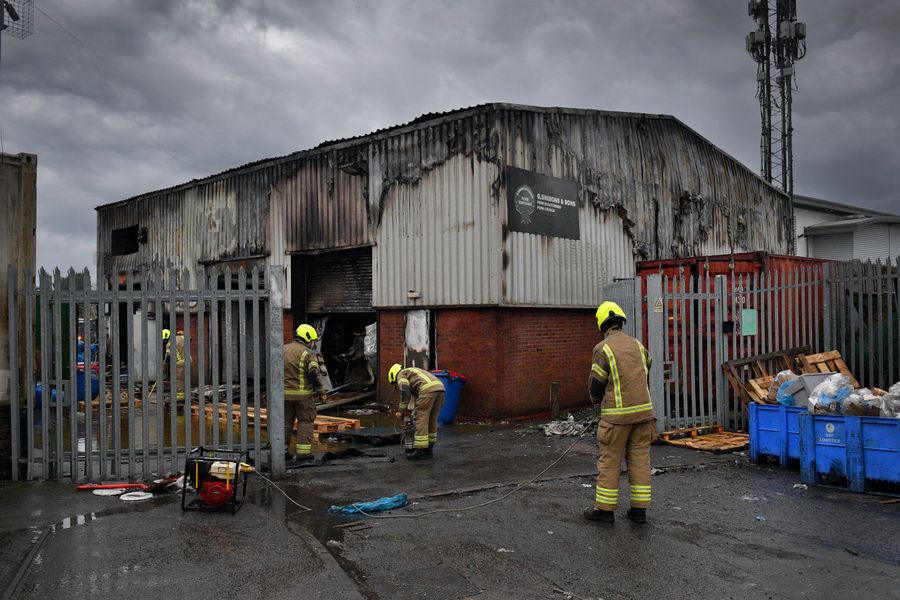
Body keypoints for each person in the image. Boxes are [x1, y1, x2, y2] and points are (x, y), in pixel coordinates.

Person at [584, 301, 656, 524]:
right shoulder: (637, 344)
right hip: (644, 415)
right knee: (639, 461)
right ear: (621, 321)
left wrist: (597, 400)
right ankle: (639, 511)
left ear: (602, 325)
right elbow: (647, 367)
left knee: (609, 462)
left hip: (617, 418)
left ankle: (605, 511)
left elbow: (596, 386)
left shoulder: (602, 348)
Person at [283, 324, 325, 461]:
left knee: (285, 423)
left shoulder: (282, 350)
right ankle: (303, 454)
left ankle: (282, 452)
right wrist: (321, 391)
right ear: (308, 339)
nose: (313, 344)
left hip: (283, 396)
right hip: (303, 397)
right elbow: (313, 373)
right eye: (313, 340)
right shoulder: (308, 353)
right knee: (305, 423)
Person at [387, 364, 445, 460]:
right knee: (432, 419)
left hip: (427, 391)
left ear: (393, 376)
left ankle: (420, 451)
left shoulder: (401, 375)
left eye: (395, 384)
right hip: (440, 389)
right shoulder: (413, 371)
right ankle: (429, 450)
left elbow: (405, 391)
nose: (396, 386)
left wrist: (400, 410)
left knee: (421, 420)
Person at [161, 328, 186, 401]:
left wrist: (164, 366)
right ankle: (184, 394)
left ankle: (180, 397)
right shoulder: (181, 338)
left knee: (179, 380)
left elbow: (168, 357)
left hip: (179, 363)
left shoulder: (170, 344)